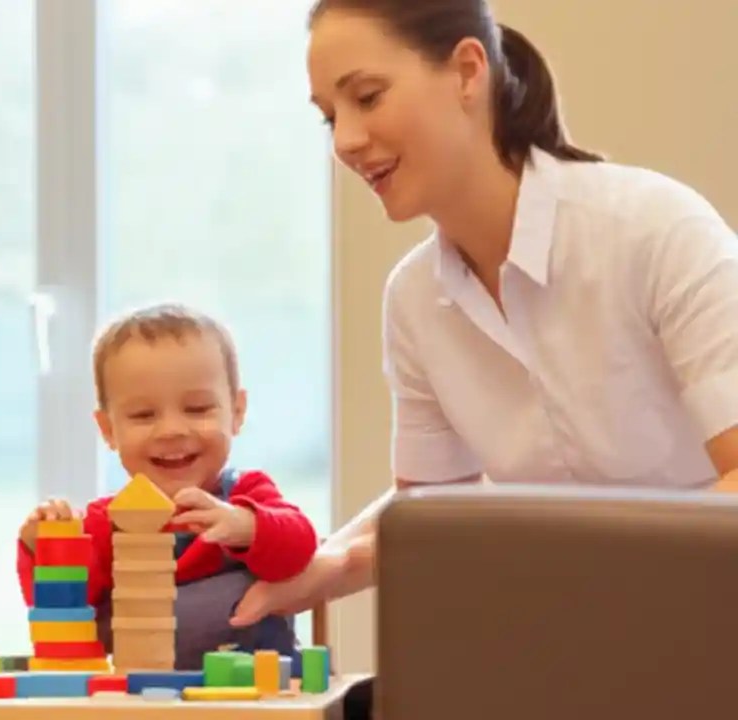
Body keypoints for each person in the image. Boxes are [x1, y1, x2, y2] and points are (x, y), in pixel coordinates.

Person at [230, 0, 736, 712]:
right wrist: (318, 566)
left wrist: (584, 575)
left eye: (367, 96)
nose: (344, 140)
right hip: (564, 654)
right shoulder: (413, 301)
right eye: (327, 115)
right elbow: (433, 513)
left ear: (468, 71)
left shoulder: (654, 230)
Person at [15, 302, 320, 670]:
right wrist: (47, 547)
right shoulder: (104, 522)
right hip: (143, 700)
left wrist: (245, 526)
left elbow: (301, 548)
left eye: (197, 409)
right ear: (109, 430)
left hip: (252, 696)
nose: (172, 430)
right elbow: (63, 613)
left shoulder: (245, 494)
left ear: (236, 413)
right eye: (144, 415)